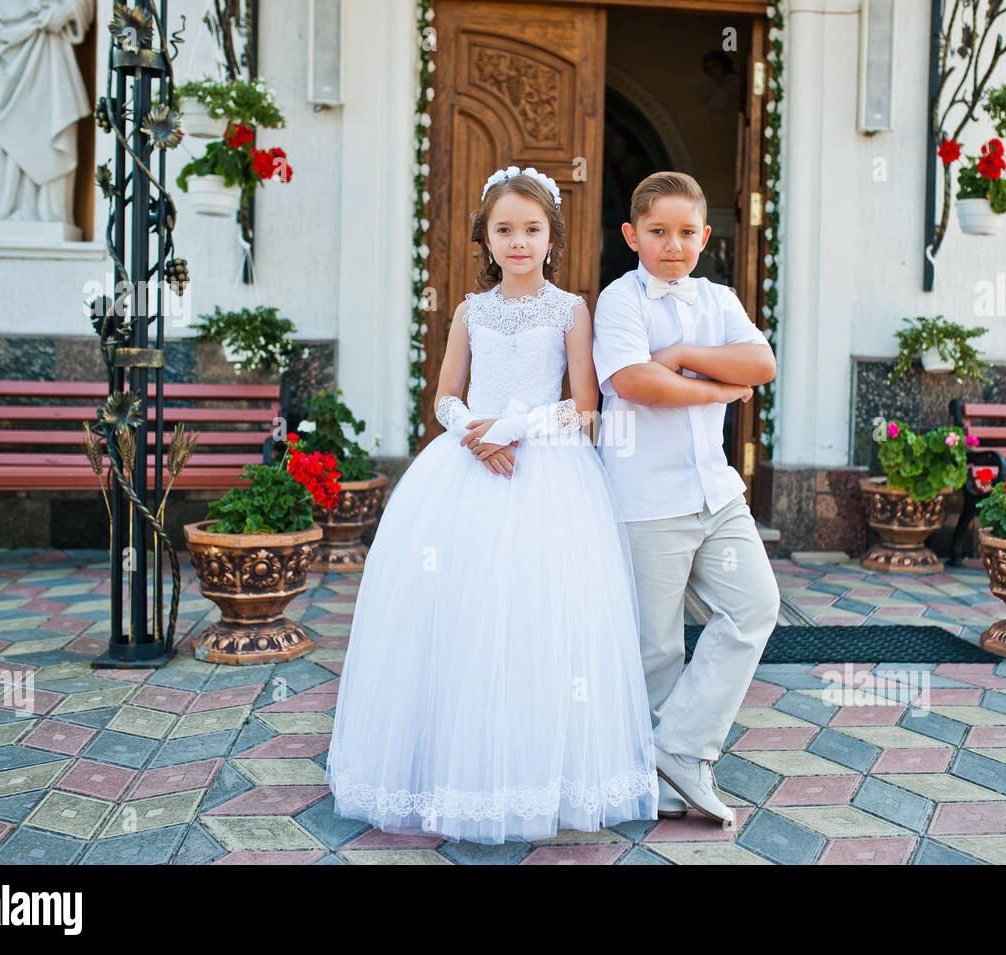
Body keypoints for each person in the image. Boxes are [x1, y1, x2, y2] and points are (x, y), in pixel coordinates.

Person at [324, 166, 658, 844]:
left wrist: (519, 430)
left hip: (547, 472)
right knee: (458, 614)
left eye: (531, 230)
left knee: (537, 618)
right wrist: (470, 432)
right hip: (465, 468)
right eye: (504, 229)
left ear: (551, 238)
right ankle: (453, 768)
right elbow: (446, 394)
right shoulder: (470, 311)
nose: (517, 241)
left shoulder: (571, 309)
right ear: (486, 236)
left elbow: (586, 406)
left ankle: (537, 772)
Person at [592, 171, 781, 828]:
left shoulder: (717, 299)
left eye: (684, 232)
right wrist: (716, 388)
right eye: (657, 232)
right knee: (656, 645)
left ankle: (679, 748)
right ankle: (659, 778)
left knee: (753, 607)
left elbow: (761, 365)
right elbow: (636, 382)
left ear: (704, 235)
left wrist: (683, 355)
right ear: (631, 235)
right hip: (649, 498)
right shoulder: (619, 301)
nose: (672, 245)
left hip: (716, 493)